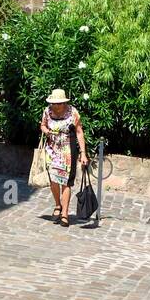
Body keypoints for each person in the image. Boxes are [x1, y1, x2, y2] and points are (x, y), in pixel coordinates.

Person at [40, 89, 88, 227]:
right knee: (54, 180)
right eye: (55, 103)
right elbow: (42, 125)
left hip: (68, 151)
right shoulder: (47, 112)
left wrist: (83, 153)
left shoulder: (73, 113)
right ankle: (57, 205)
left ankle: (65, 213)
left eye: (59, 103)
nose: (57, 106)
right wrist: (47, 131)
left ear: (64, 102)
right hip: (52, 151)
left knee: (66, 182)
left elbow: (79, 132)